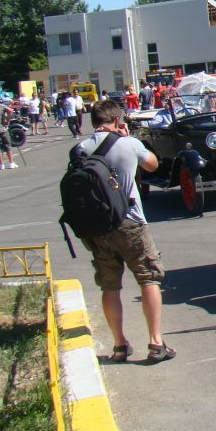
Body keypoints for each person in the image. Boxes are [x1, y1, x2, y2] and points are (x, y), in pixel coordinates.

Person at [72, 99, 175, 364]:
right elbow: (153, 165)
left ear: (94, 122)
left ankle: (119, 344)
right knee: (149, 278)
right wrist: (130, 139)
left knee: (109, 285)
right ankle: (155, 342)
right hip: (130, 223)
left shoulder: (80, 149)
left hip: (97, 227)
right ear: (118, 121)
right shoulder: (128, 144)